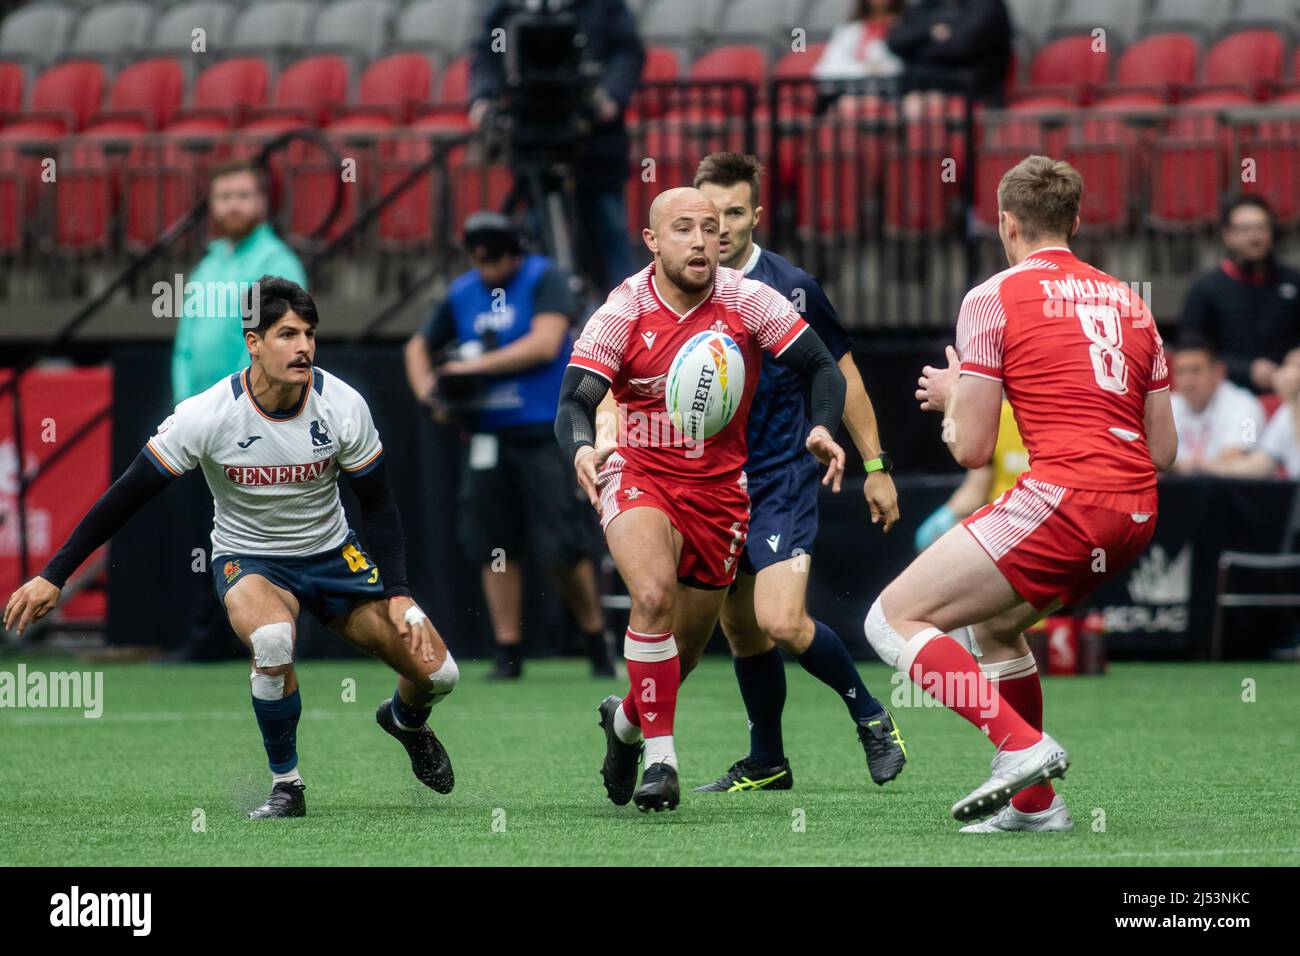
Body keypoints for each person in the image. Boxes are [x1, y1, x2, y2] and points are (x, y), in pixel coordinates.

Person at [5, 277, 459, 820]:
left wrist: (401, 594)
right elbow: (125, 496)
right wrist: (54, 575)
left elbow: (379, 506)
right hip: (252, 561)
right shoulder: (207, 414)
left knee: (439, 674)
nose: (303, 347)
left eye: (309, 334)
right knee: (271, 641)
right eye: (287, 334)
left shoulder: (342, 406)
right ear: (254, 342)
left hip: (334, 554)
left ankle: (404, 722)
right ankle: (287, 786)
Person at [865, 156, 1176, 833]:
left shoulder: (992, 296)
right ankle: (1037, 807)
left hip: (1067, 498)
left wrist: (953, 399)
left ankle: (1021, 746)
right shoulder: (1134, 303)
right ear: (1076, 220)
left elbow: (972, 449)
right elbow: (1163, 452)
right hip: (1136, 511)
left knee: (890, 621)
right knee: (996, 624)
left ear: (1007, 224)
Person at [555, 187, 848, 812]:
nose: (700, 240)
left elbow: (823, 367)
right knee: (653, 597)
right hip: (639, 474)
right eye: (683, 228)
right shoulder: (624, 308)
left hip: (719, 490)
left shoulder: (747, 298)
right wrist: (582, 447)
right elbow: (575, 399)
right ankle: (662, 762)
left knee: (680, 658)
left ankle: (626, 726)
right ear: (653, 241)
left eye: (710, 228)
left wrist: (821, 426)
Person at [672, 152, 905, 794]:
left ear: (757, 215)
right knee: (741, 629)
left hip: (780, 476)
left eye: (734, 213)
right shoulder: (669, 287)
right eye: (704, 215)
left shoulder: (790, 286)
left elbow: (842, 371)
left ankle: (871, 715)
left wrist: (876, 465)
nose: (716, 229)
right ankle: (767, 760)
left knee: (781, 622)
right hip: (709, 486)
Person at [403, 211, 614, 680]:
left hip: (543, 429)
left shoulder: (546, 279)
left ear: (515, 253)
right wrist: (429, 397)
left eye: (496, 259)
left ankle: (596, 639)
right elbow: (416, 346)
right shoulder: (463, 292)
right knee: (492, 543)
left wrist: (467, 370)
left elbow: (544, 344)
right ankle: (507, 649)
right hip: (486, 433)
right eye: (481, 260)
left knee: (564, 542)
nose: (488, 270)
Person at [167, 159, 308, 662]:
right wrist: (185, 408)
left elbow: (280, 348)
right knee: (210, 528)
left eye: (242, 195)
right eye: (223, 196)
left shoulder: (277, 262)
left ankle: (256, 634)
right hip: (203, 421)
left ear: (262, 203)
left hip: (250, 418)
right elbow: (186, 344)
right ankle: (212, 636)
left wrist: (244, 405)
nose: (232, 205)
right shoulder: (208, 264)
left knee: (256, 527)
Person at [469, 0, 644, 295]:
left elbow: (627, 52)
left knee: (609, 235)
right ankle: (548, 317)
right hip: (533, 141)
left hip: (594, 144)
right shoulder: (508, 8)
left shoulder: (604, 7)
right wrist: (483, 97)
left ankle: (628, 323)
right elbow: (487, 52)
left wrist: (610, 96)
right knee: (537, 236)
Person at [1180, 196, 1300, 394]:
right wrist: (1246, 369)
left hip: (1291, 395)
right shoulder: (1205, 289)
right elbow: (1191, 352)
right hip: (1227, 399)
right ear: (1228, 235)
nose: (1255, 237)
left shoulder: (1293, 281)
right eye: (1245, 230)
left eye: (1262, 228)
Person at [914, 400, 1027, 552]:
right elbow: (975, 489)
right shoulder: (998, 417)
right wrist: (947, 514)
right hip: (999, 520)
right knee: (941, 540)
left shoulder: (1064, 422)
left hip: (1043, 523)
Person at [1168, 334, 1266, 475]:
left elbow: (1241, 453)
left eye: (1196, 370)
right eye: (1180, 372)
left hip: (1227, 490)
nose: (1187, 381)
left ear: (1218, 372)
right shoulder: (1168, 405)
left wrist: (1189, 465)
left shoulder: (1247, 405)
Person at [886, 0, 1013, 108]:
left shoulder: (986, 5)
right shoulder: (928, 5)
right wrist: (930, 32)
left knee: (929, 104)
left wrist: (916, 49)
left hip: (976, 89)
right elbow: (896, 41)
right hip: (924, 82)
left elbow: (962, 46)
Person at [1213, 354, 1300, 479]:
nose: (1290, 376)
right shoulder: (1286, 412)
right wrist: (1210, 467)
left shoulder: (1291, 404)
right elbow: (1262, 462)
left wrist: (1293, 402)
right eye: (1289, 369)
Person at [812, 0, 906, 82]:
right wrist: (866, 70)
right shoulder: (848, 30)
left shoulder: (905, 28)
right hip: (848, 93)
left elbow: (900, 68)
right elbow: (825, 71)